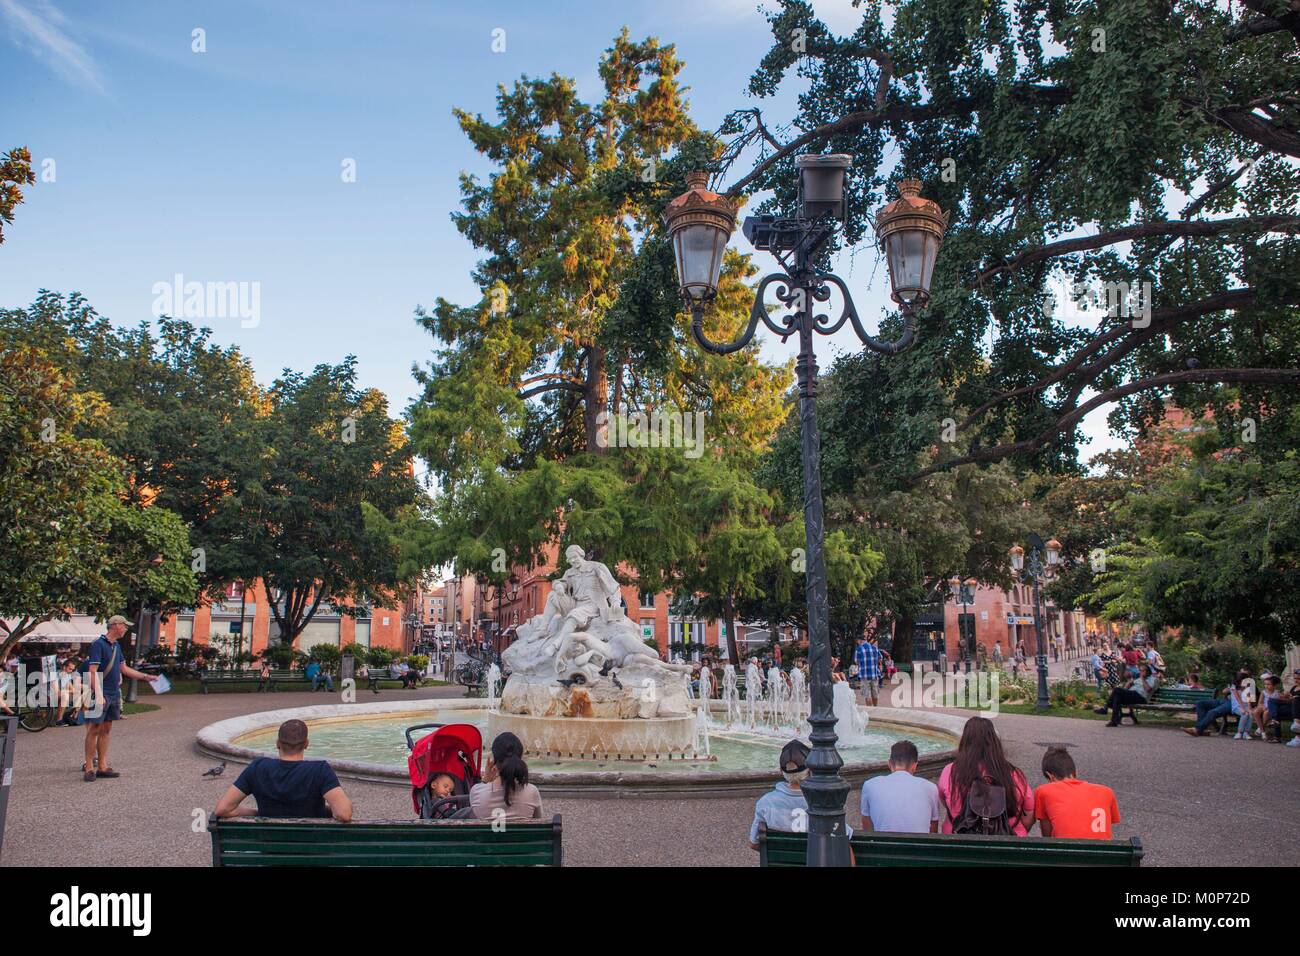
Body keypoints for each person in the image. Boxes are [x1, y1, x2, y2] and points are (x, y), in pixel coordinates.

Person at [214, 719, 352, 820]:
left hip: (269, 853)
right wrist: (322, 811)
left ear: (277, 744)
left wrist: (259, 813)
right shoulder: (320, 770)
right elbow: (344, 814)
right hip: (313, 854)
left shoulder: (258, 768)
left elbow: (222, 809)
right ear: (306, 744)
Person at [82, 615, 159, 782]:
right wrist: (100, 694)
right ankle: (89, 767)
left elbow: (123, 668)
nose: (125, 629)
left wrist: (146, 677)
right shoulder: (98, 644)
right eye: (124, 626)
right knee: (94, 729)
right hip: (100, 693)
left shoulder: (116, 646)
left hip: (113, 692)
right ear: (115, 625)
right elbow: (92, 671)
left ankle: (102, 766)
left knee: (106, 729)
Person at [748, 740, 854, 849]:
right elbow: (843, 836)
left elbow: (754, 842)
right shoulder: (822, 802)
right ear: (810, 770)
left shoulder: (766, 803)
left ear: (781, 771)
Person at [937, 716, 1034, 835]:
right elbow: (1029, 813)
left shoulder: (950, 771)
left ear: (965, 741)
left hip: (959, 840)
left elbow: (945, 801)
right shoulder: (1013, 774)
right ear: (994, 742)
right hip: (1008, 841)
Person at [1033, 747, 1120, 839]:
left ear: (1050, 776)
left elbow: (1047, 837)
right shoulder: (1107, 792)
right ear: (1076, 772)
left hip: (1066, 851)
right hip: (1104, 851)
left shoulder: (1044, 791)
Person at [859, 740, 940, 833]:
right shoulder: (930, 788)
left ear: (889, 764)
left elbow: (868, 829)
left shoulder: (870, 785)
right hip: (918, 846)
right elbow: (933, 831)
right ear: (915, 766)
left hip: (882, 846)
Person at [469, 732, 543, 823]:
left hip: (487, 837)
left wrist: (485, 780)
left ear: (495, 761)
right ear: (519, 758)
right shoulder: (531, 792)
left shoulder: (477, 792)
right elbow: (538, 820)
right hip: (520, 837)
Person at [1183, 672, 1251, 737]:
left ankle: (1197, 729)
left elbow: (1250, 700)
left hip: (1232, 704)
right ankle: (1201, 730)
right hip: (1224, 700)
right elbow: (1224, 691)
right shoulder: (1235, 684)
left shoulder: (1250, 687)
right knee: (1200, 703)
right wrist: (1230, 688)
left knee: (1212, 712)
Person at [1094, 662, 1158, 727]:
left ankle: (1106, 708)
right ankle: (1114, 721)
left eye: (1142, 671)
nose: (1141, 672)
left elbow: (1148, 690)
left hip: (1141, 698)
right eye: (1140, 670)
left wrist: (1143, 679)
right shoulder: (1138, 679)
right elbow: (1125, 688)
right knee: (1117, 698)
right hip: (1132, 696)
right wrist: (1129, 682)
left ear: (1148, 671)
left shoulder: (1152, 679)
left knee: (1117, 690)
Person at [854, 635, 882, 706]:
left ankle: (870, 712)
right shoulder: (874, 648)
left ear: (859, 640)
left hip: (864, 675)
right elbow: (880, 658)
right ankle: (875, 709)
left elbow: (856, 662)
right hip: (874, 675)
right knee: (875, 693)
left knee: (867, 695)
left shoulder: (859, 649)